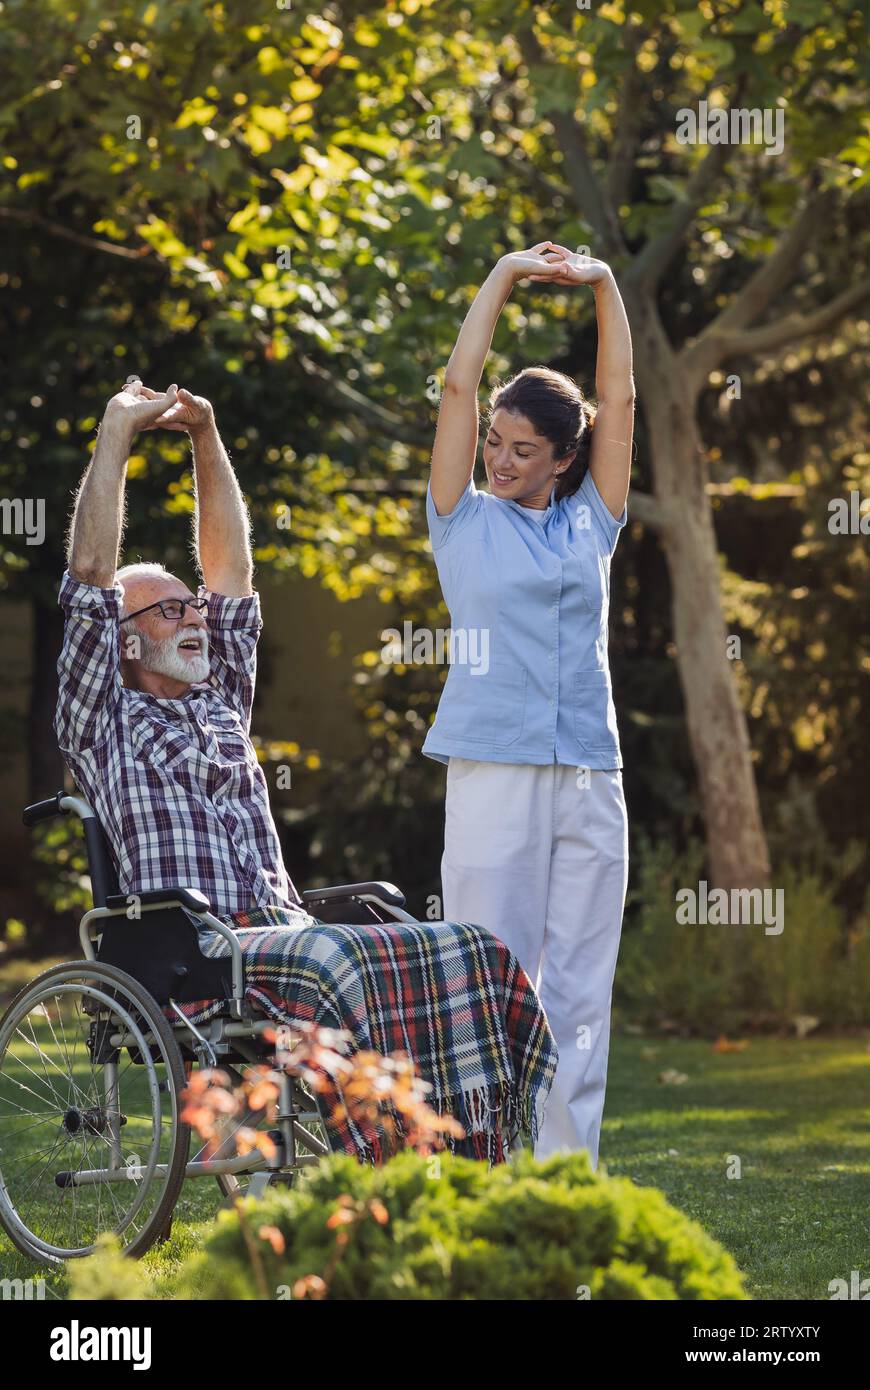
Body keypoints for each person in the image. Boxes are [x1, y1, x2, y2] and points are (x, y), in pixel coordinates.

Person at [54, 377, 557, 1163]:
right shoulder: (102, 719)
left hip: (282, 931)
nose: (194, 618)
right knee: (339, 956)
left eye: (190, 608)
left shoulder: (220, 699)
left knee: (471, 946)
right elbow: (88, 575)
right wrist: (117, 429)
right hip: (195, 950)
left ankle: (479, 1155)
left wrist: (206, 435)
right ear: (121, 641)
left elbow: (232, 578)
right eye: (169, 610)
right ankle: (384, 1161)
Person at [423, 242, 634, 1168]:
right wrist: (505, 273)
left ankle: (568, 1181)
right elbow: (459, 390)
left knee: (580, 992)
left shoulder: (593, 521)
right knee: (489, 983)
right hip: (495, 770)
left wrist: (605, 287)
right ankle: (484, 1173)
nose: (500, 461)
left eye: (522, 451)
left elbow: (620, 401)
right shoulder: (460, 518)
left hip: (590, 773)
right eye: (495, 445)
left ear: (564, 459)